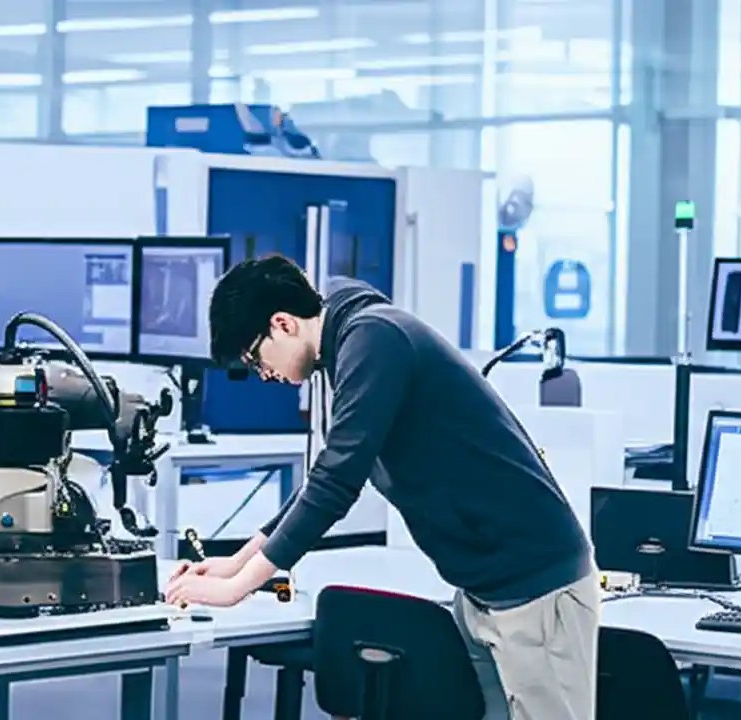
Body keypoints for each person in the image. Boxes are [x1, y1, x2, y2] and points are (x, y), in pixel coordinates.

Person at [165, 255, 600, 720]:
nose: (262, 374)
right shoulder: (349, 343)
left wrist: (238, 590)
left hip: (536, 589)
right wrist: (235, 564)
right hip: (484, 591)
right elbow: (328, 471)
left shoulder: (374, 339)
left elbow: (336, 483)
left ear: (283, 323)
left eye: (255, 358)